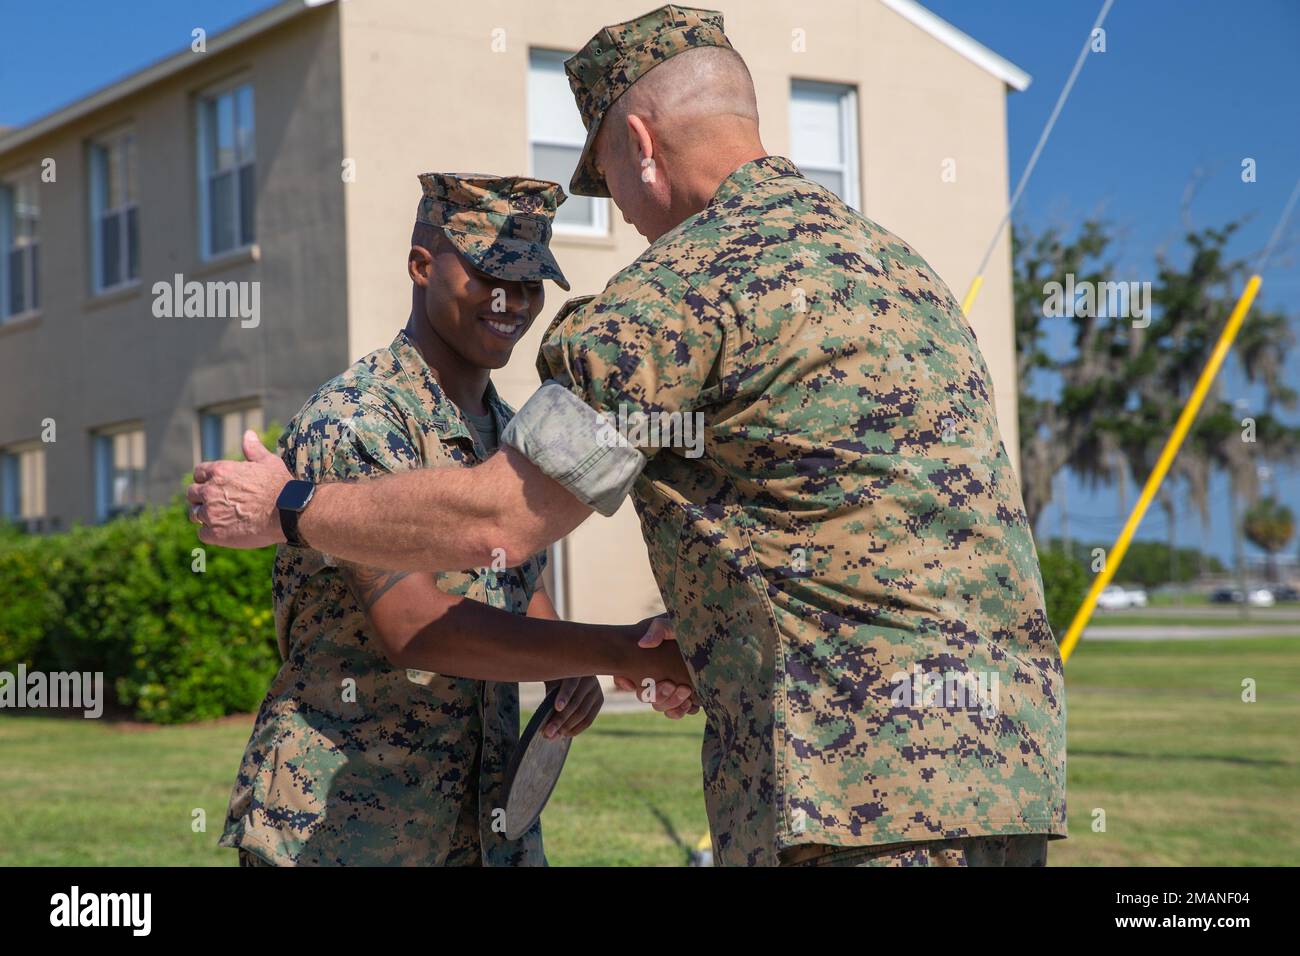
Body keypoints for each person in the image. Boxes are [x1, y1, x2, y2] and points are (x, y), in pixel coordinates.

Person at [193, 6, 1066, 867]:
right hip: (1006, 768)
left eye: (606, 179)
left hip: (847, 785)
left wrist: (291, 506)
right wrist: (638, 641)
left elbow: (502, 524)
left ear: (641, 144)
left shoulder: (683, 288)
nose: (625, 215)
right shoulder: (901, 270)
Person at [218, 172, 690, 867]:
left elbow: (514, 576)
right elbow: (411, 625)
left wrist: (565, 664)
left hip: (486, 826)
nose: (515, 301)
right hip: (345, 827)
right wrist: (614, 649)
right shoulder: (356, 420)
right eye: (491, 275)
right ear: (420, 266)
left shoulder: (512, 431)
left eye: (532, 282)